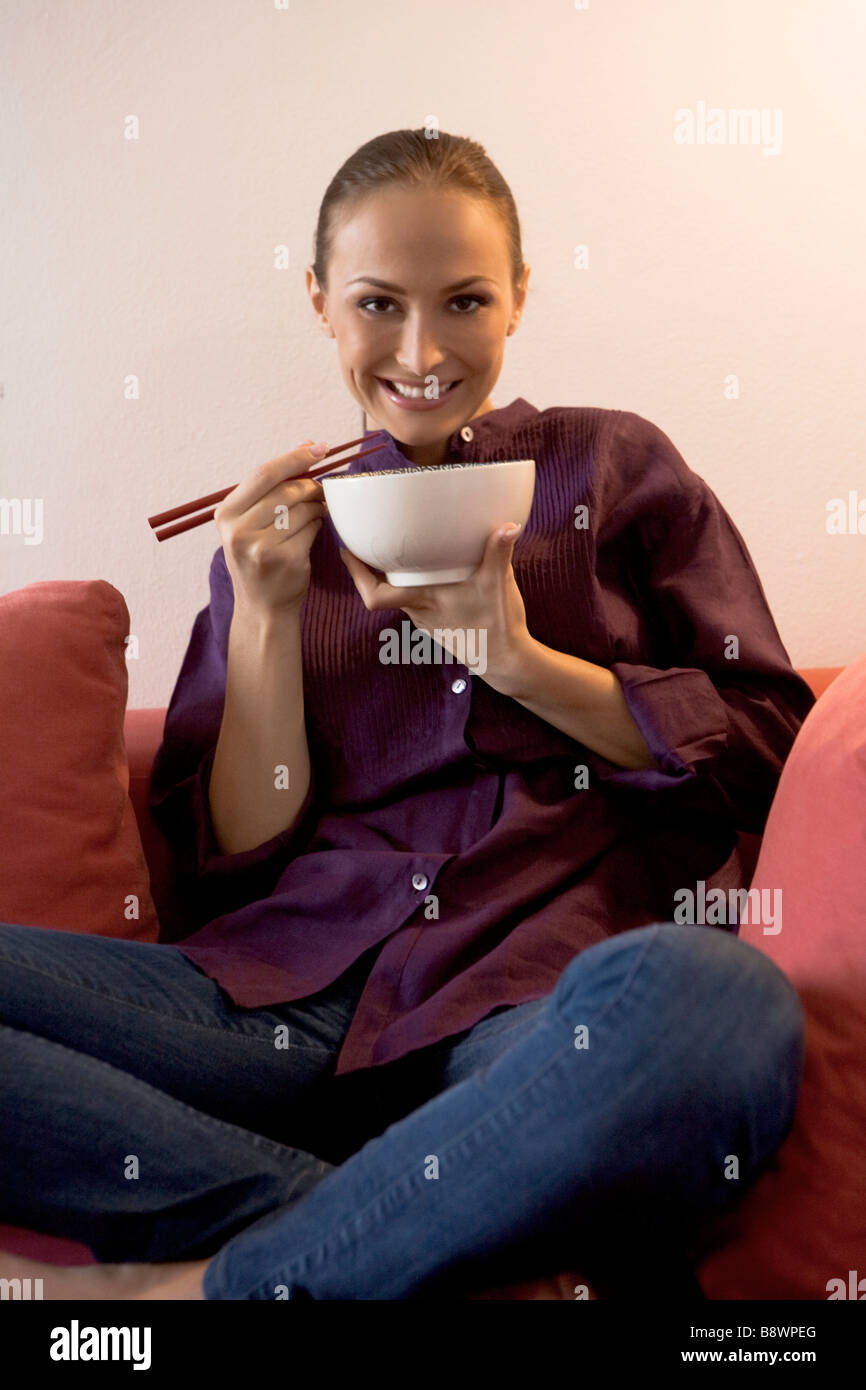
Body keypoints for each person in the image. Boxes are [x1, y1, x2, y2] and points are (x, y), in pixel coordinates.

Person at [0, 129, 812, 1301]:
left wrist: (518, 662)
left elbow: (763, 754)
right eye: (378, 303)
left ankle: (202, 1287)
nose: (421, 351)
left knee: (715, 1010)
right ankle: (397, 1220)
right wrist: (269, 617)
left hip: (537, 1008)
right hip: (281, 1006)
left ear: (518, 297)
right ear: (321, 304)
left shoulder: (613, 466)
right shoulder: (280, 534)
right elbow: (232, 857)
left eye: (465, 302)